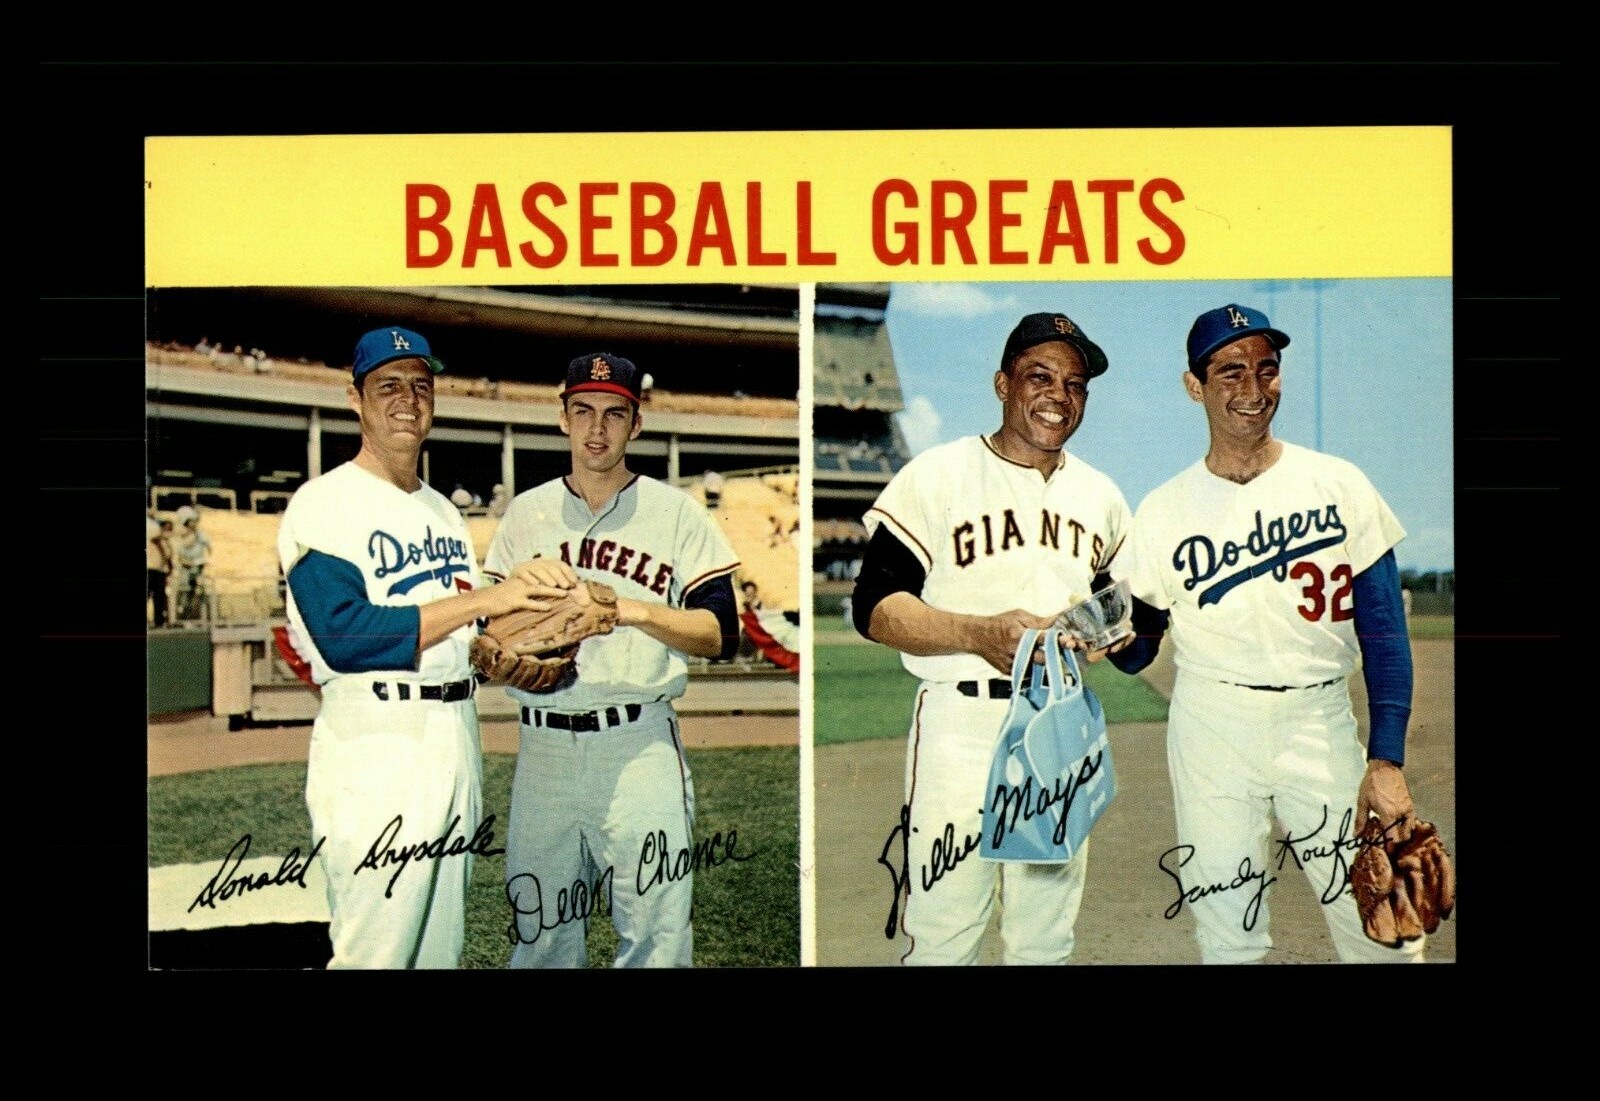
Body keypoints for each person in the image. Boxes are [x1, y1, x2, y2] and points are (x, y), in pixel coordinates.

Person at [851, 311, 1159, 966]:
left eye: (1075, 384)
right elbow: (874, 606)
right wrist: (975, 631)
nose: (1059, 395)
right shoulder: (938, 474)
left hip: (1059, 719)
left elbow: (1136, 636)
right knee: (943, 932)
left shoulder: (1101, 496)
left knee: (1044, 937)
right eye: (1040, 376)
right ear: (1003, 383)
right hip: (961, 720)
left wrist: (1122, 634)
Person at [1125, 303, 1424, 964]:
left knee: (1386, 930)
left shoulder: (1337, 483)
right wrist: (1109, 636)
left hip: (1318, 719)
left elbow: (1383, 629)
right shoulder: (1163, 508)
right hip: (1211, 723)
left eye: (1267, 369)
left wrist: (1387, 758)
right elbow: (1141, 644)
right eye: (1231, 372)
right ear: (1194, 385)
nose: (1254, 390)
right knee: (1229, 936)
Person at [276, 325, 563, 969]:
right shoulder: (324, 502)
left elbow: (457, 632)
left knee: (438, 950)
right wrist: (490, 600)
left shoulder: (444, 513)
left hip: (454, 732)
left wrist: (506, 646)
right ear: (356, 399)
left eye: (420, 385)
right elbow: (347, 635)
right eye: (387, 386)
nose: (407, 399)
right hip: (376, 741)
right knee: (376, 949)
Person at [484, 351, 741, 968]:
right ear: (563, 419)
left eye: (613, 414)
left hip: (638, 745)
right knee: (540, 933)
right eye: (583, 412)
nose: (597, 429)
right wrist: (497, 652)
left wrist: (630, 610)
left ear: (636, 424)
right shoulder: (526, 513)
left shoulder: (676, 511)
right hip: (542, 745)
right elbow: (491, 624)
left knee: (655, 935)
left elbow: (720, 633)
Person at [173, 508, 213, 620]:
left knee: (196, 593)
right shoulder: (180, 535)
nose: (194, 523)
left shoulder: (200, 535)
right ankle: (181, 617)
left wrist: (204, 560)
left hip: (197, 568)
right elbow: (178, 553)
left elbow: (209, 548)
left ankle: (195, 617)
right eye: (191, 521)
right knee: (184, 592)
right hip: (185, 568)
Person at [147, 513, 172, 627]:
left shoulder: (167, 542)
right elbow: (155, 539)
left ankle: (159, 621)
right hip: (151, 569)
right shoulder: (156, 537)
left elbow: (168, 557)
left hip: (160, 571)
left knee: (159, 598)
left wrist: (169, 568)